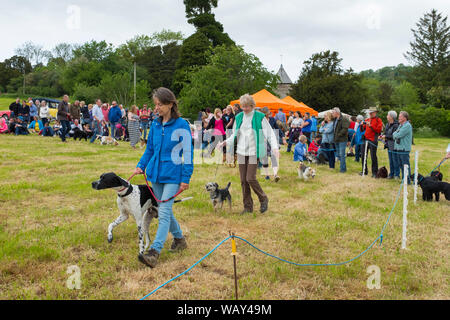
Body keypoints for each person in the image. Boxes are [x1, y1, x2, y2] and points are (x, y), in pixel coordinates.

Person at [135, 87, 193, 268]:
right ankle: (180, 240)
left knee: (164, 212)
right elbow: (150, 149)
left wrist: (185, 178)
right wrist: (141, 165)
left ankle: (154, 251)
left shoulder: (182, 125)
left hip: (173, 175)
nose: (156, 108)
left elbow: (188, 154)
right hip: (155, 174)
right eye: (155, 104)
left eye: (160, 104)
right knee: (164, 209)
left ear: (170, 104)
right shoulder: (154, 124)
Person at [218, 94, 279, 215]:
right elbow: (234, 134)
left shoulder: (260, 117)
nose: (245, 109)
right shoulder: (239, 116)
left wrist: (275, 147)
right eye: (243, 106)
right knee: (243, 181)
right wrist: (225, 142)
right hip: (241, 152)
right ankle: (248, 207)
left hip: (253, 152)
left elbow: (269, 133)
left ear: (252, 106)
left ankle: (263, 198)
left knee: (250, 178)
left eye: (247, 106)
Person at [359, 107, 383, 177]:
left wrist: (371, 125)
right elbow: (362, 129)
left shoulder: (378, 120)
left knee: (373, 156)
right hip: (365, 140)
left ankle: (374, 172)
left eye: (372, 112)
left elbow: (378, 130)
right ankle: (364, 170)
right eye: (370, 112)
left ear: (375, 113)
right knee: (363, 155)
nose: (370, 114)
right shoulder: (367, 119)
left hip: (373, 140)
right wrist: (361, 125)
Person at [260, 107, 281, 182]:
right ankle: (267, 175)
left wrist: (283, 137)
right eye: (267, 112)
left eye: (268, 112)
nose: (268, 113)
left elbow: (277, 127)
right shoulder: (260, 120)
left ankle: (275, 174)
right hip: (263, 141)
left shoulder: (272, 119)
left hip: (271, 140)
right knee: (264, 158)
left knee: (274, 157)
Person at [393, 111, 413, 184]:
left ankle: (407, 181)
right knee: (401, 165)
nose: (398, 118)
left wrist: (395, 134)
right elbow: (395, 134)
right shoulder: (401, 125)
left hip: (404, 149)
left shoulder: (407, 125)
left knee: (405, 165)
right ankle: (404, 179)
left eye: (400, 116)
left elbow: (397, 135)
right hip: (399, 148)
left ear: (405, 118)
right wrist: (395, 134)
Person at [381, 111, 400, 179]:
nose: (387, 116)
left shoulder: (396, 125)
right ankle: (391, 174)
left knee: (395, 160)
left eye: (387, 115)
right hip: (388, 145)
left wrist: (386, 136)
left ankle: (397, 174)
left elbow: (394, 136)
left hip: (394, 145)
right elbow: (386, 133)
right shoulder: (387, 124)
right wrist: (382, 136)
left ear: (391, 117)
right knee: (391, 160)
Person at [332, 107, 350, 173]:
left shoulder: (344, 119)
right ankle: (342, 167)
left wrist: (338, 134)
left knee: (342, 155)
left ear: (337, 113)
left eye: (333, 112)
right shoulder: (335, 119)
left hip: (342, 139)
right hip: (336, 139)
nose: (332, 114)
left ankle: (343, 169)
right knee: (339, 154)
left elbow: (345, 129)